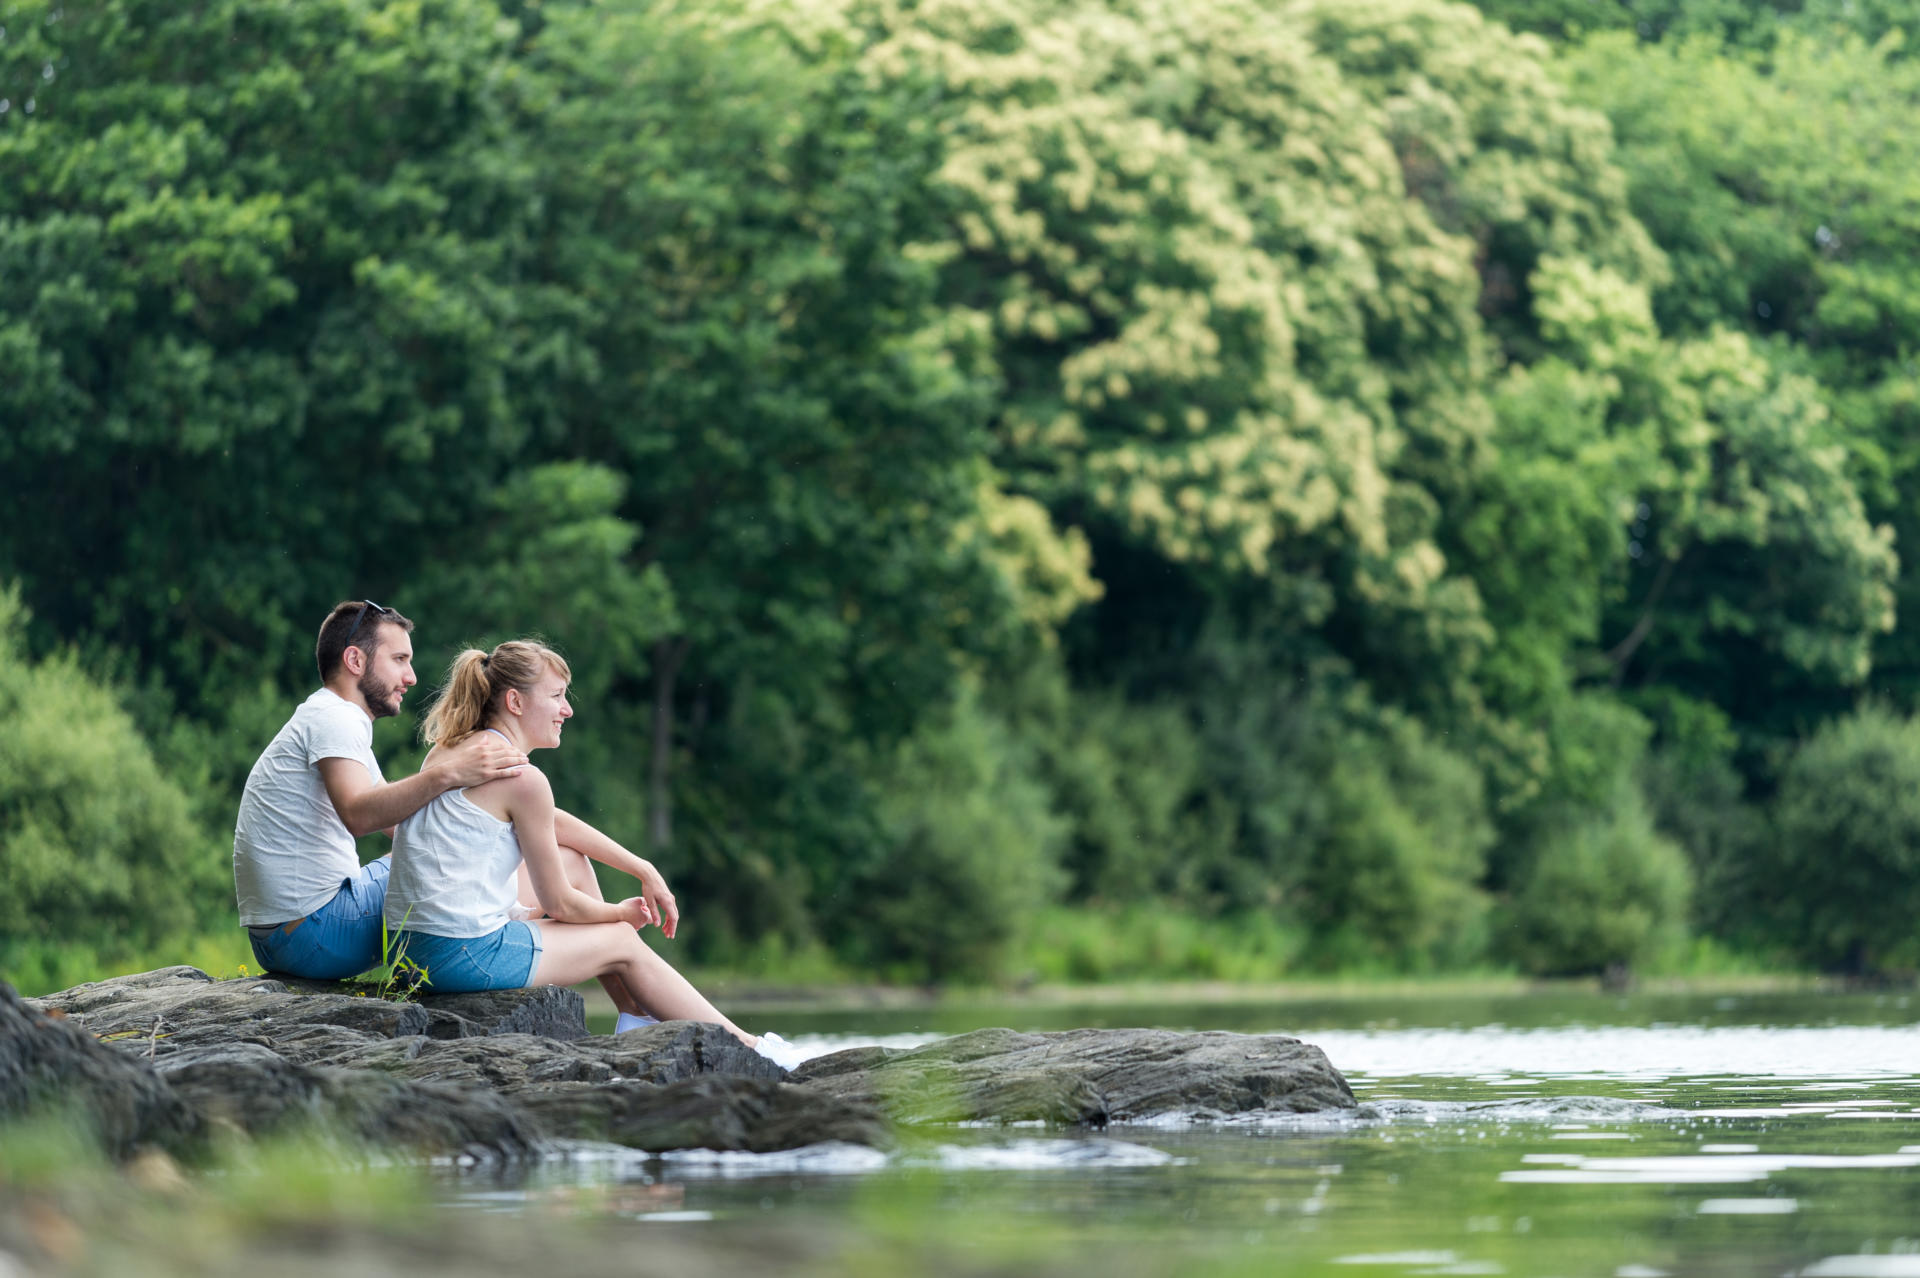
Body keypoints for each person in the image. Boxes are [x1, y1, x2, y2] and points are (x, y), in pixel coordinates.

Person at [384, 639, 802, 1068]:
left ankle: (636, 1015)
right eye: (557, 697)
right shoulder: (523, 779)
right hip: (456, 955)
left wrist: (641, 866)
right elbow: (558, 904)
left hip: (411, 950)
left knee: (573, 861)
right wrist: (619, 916)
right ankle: (751, 1049)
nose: (567, 710)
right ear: (515, 701)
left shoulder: (455, 749)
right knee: (621, 942)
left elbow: (552, 823)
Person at [233, 599, 528, 980]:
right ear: (355, 661)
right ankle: (509, 939)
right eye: (399, 659)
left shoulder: (330, 717)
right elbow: (358, 815)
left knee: (461, 854)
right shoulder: (334, 719)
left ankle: (510, 922)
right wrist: (451, 773)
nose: (411, 677)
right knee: (475, 861)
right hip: (316, 932)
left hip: (288, 938)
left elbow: (399, 827)